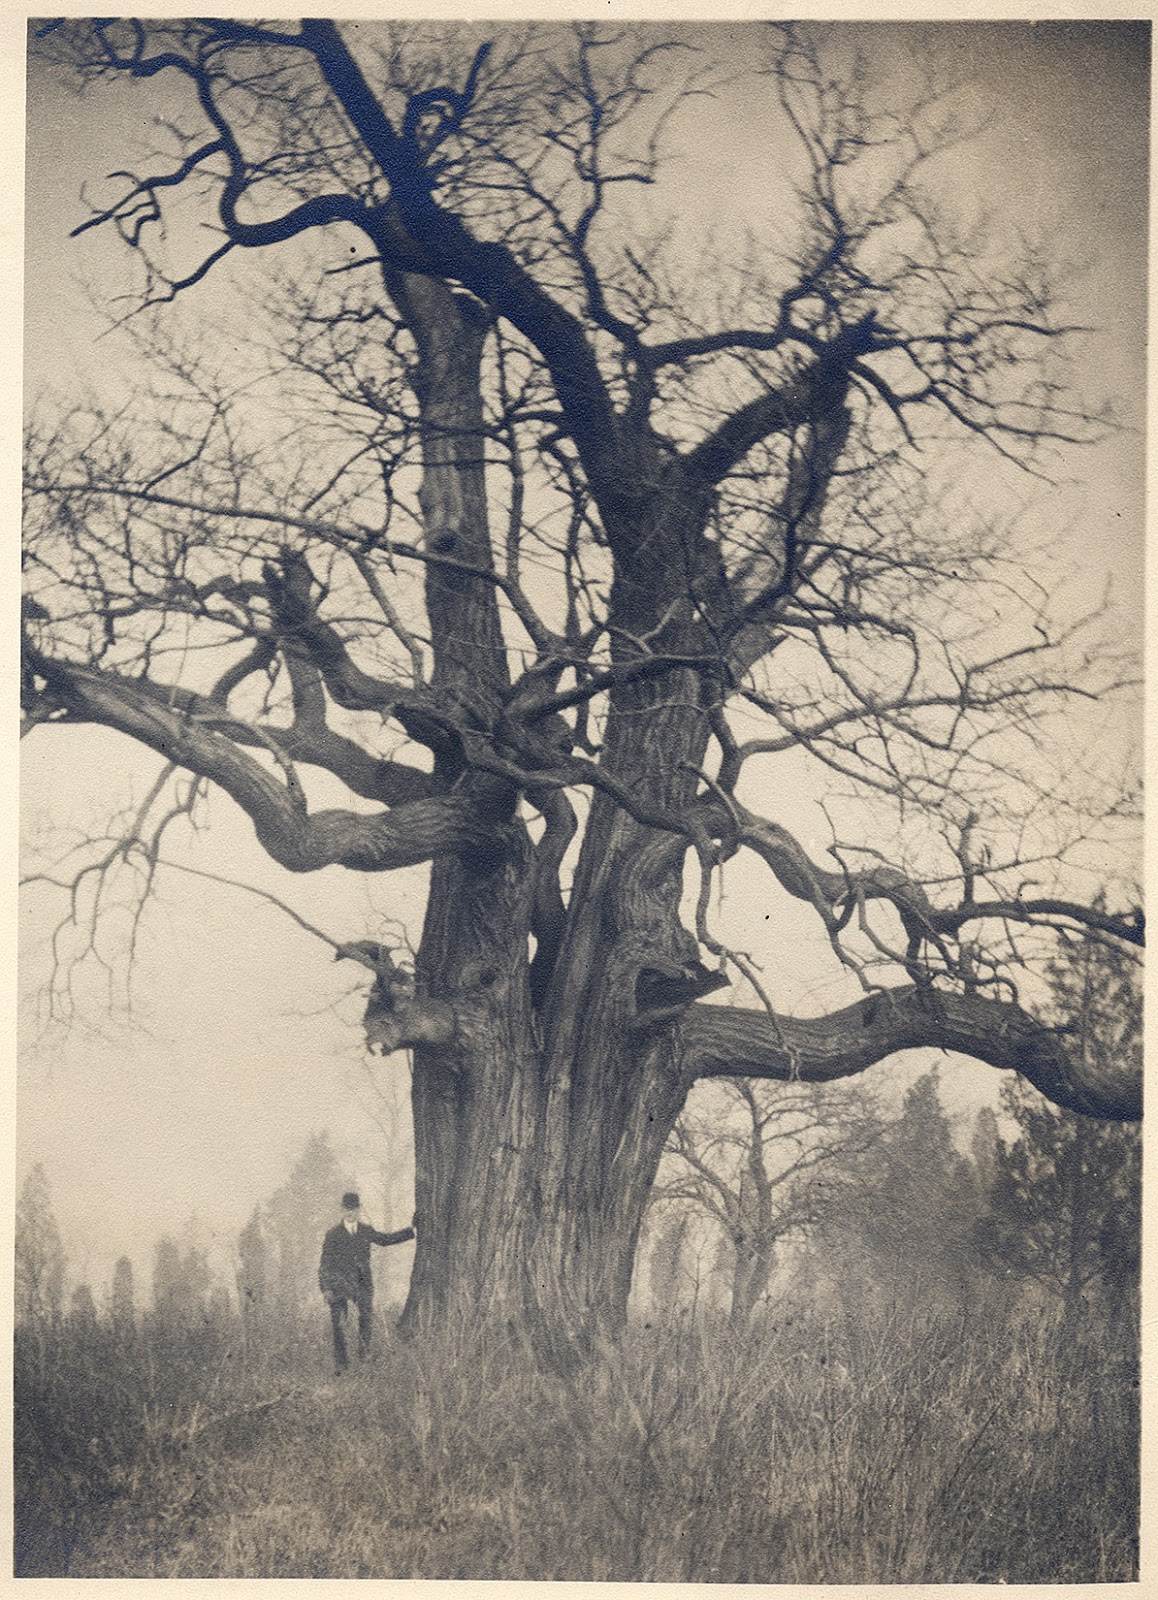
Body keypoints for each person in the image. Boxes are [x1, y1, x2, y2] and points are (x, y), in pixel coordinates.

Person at [318, 1192, 415, 1374]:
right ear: (342, 1210)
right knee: (338, 1324)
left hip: (362, 1283)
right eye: (347, 1209)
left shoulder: (365, 1230)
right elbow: (325, 1263)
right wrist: (325, 1288)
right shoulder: (332, 1234)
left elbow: (385, 1240)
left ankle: (364, 1357)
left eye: (354, 1209)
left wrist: (410, 1231)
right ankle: (341, 1364)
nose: (351, 1213)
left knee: (366, 1319)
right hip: (339, 1284)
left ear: (359, 1209)